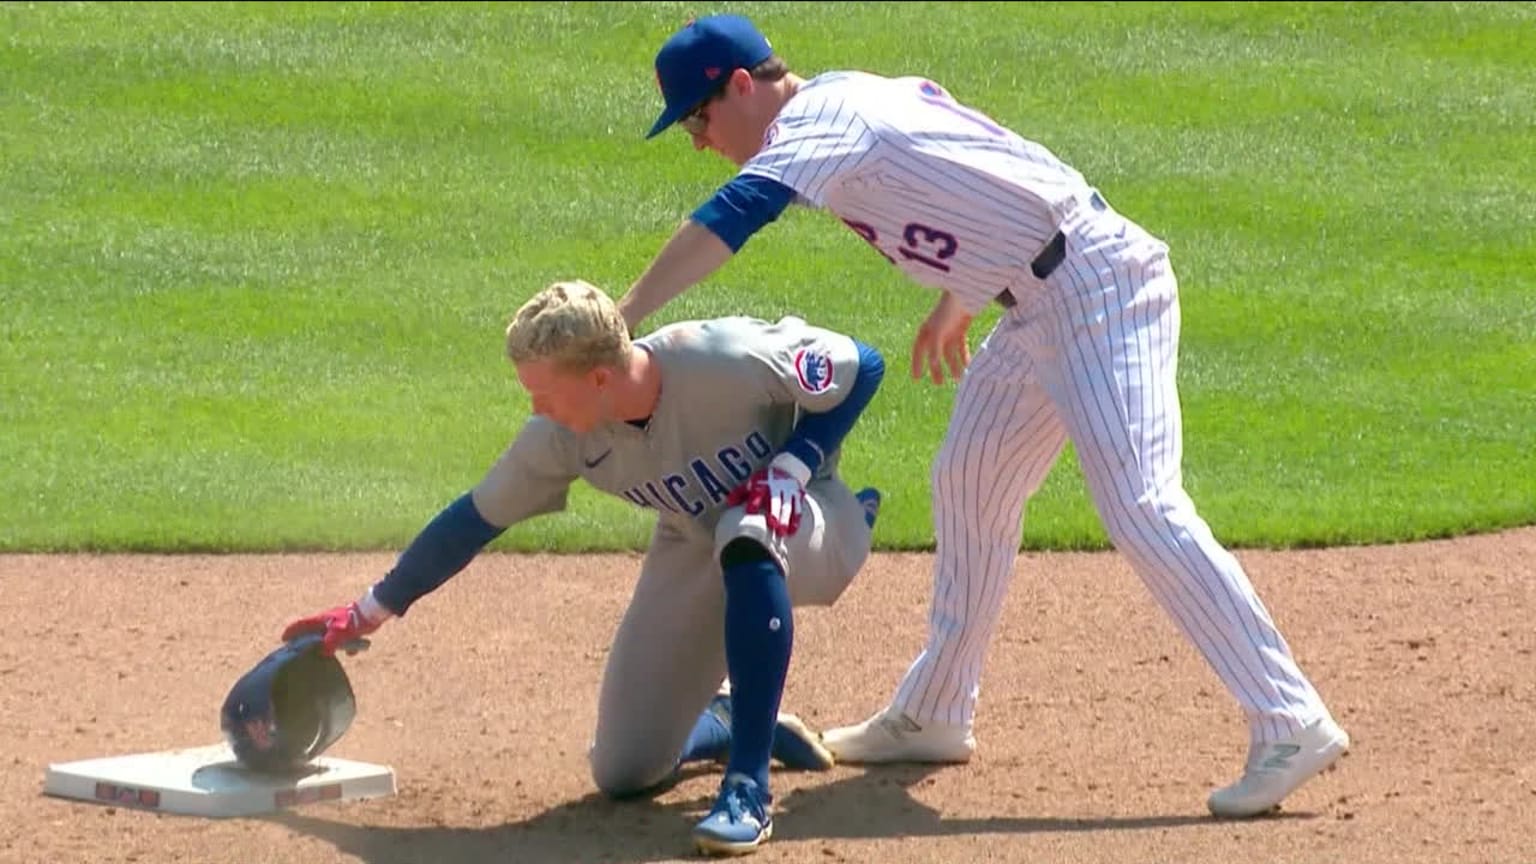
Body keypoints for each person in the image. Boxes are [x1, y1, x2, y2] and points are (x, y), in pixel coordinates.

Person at [617, 13, 1349, 819]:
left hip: (1100, 291)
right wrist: (962, 296)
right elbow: (989, 175)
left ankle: (1289, 717)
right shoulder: (851, 103)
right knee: (970, 480)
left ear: (743, 86)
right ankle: (936, 707)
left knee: (1143, 505)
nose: (697, 140)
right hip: (1041, 294)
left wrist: (624, 315)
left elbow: (734, 217)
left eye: (697, 117)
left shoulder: (819, 122)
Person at [283, 279, 888, 856]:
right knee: (625, 768)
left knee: (745, 525)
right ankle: (726, 718)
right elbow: (474, 518)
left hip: (813, 522)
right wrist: (368, 609)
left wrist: (795, 464)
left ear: (599, 377)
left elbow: (862, 364)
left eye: (542, 390)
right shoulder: (560, 436)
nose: (534, 404)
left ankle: (747, 790)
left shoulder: (721, 358)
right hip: (695, 546)